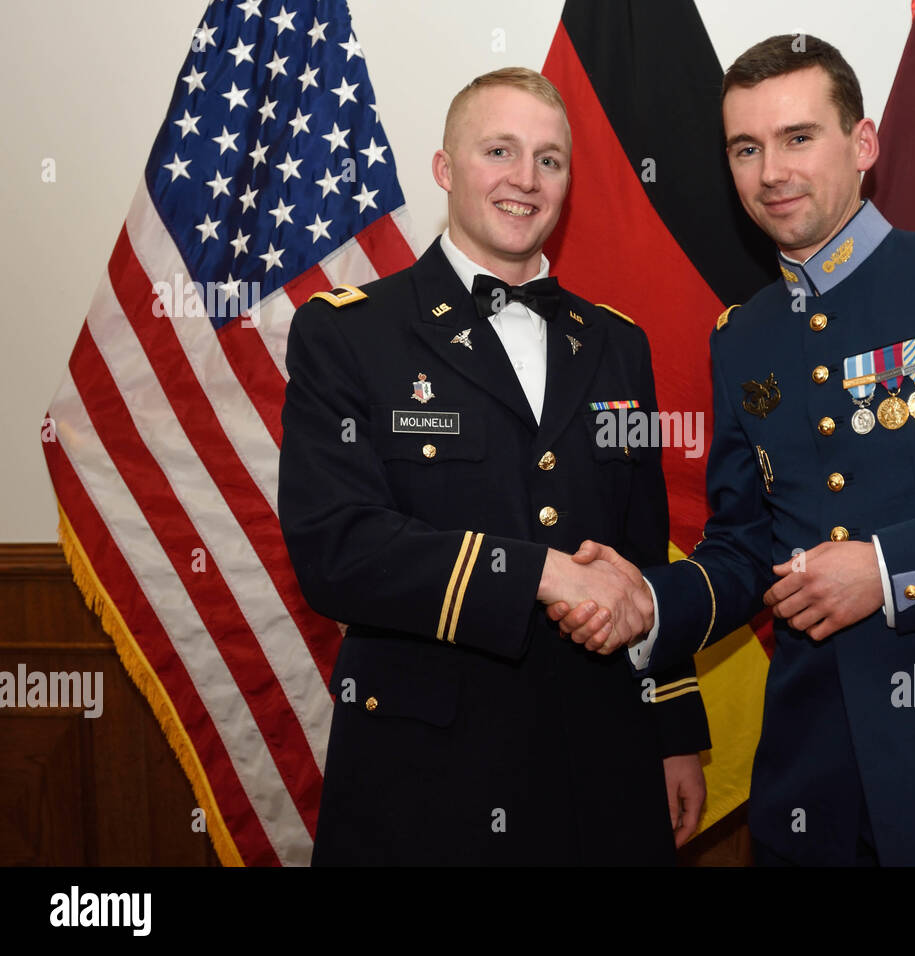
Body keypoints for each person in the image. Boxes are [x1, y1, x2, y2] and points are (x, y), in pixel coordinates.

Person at [550, 35, 915, 866]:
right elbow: (743, 546)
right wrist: (652, 602)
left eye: (798, 138)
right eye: (746, 149)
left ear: (862, 145)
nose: (771, 172)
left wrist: (892, 569)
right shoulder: (742, 337)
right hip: (808, 794)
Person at [278, 67, 709, 865]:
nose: (525, 179)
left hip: (602, 763)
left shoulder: (620, 346)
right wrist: (541, 574)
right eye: (499, 151)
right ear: (445, 170)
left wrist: (673, 730)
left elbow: (645, 552)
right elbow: (336, 550)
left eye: (550, 159)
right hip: (429, 776)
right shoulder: (350, 335)